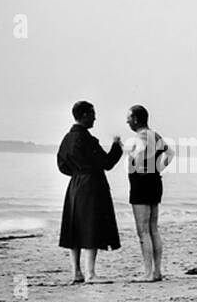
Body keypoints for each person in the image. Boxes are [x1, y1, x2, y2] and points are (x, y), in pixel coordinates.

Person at [57, 100, 122, 282]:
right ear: (84, 115)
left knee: (75, 227)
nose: (95, 118)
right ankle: (91, 273)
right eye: (93, 114)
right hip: (92, 184)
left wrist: (77, 172)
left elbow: (62, 166)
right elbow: (107, 163)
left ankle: (76, 272)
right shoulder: (87, 139)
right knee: (91, 226)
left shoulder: (67, 139)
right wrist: (117, 146)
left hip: (75, 184)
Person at [125, 105, 174, 281]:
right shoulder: (156, 135)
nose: (127, 121)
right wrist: (158, 167)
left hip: (141, 184)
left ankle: (148, 273)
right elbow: (170, 152)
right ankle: (157, 271)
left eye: (129, 118)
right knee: (153, 228)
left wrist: (140, 166)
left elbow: (138, 159)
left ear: (136, 119)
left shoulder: (140, 138)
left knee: (143, 230)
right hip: (155, 181)